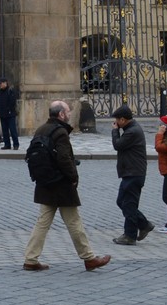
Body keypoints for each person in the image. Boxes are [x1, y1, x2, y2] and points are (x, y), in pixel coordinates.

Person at [23, 99, 113, 272]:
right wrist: (73, 177)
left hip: (44, 182)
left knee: (42, 222)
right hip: (60, 183)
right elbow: (64, 159)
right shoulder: (60, 132)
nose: (70, 114)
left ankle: (31, 258)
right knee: (74, 222)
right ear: (61, 114)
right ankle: (89, 258)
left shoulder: (41, 129)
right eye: (68, 111)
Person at [110, 105, 153, 245]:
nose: (116, 123)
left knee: (129, 204)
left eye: (117, 120)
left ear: (123, 119)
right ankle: (144, 224)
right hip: (130, 172)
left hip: (134, 173)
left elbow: (117, 145)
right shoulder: (130, 129)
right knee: (122, 202)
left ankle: (130, 235)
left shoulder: (132, 131)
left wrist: (115, 131)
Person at [0, 76, 20, 151]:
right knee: (4, 130)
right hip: (2, 114)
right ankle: (7, 144)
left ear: (5, 83)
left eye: (1, 83)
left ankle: (16, 144)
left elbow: (12, 102)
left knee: (12, 130)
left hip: (10, 114)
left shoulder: (10, 91)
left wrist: (8, 109)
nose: (0, 85)